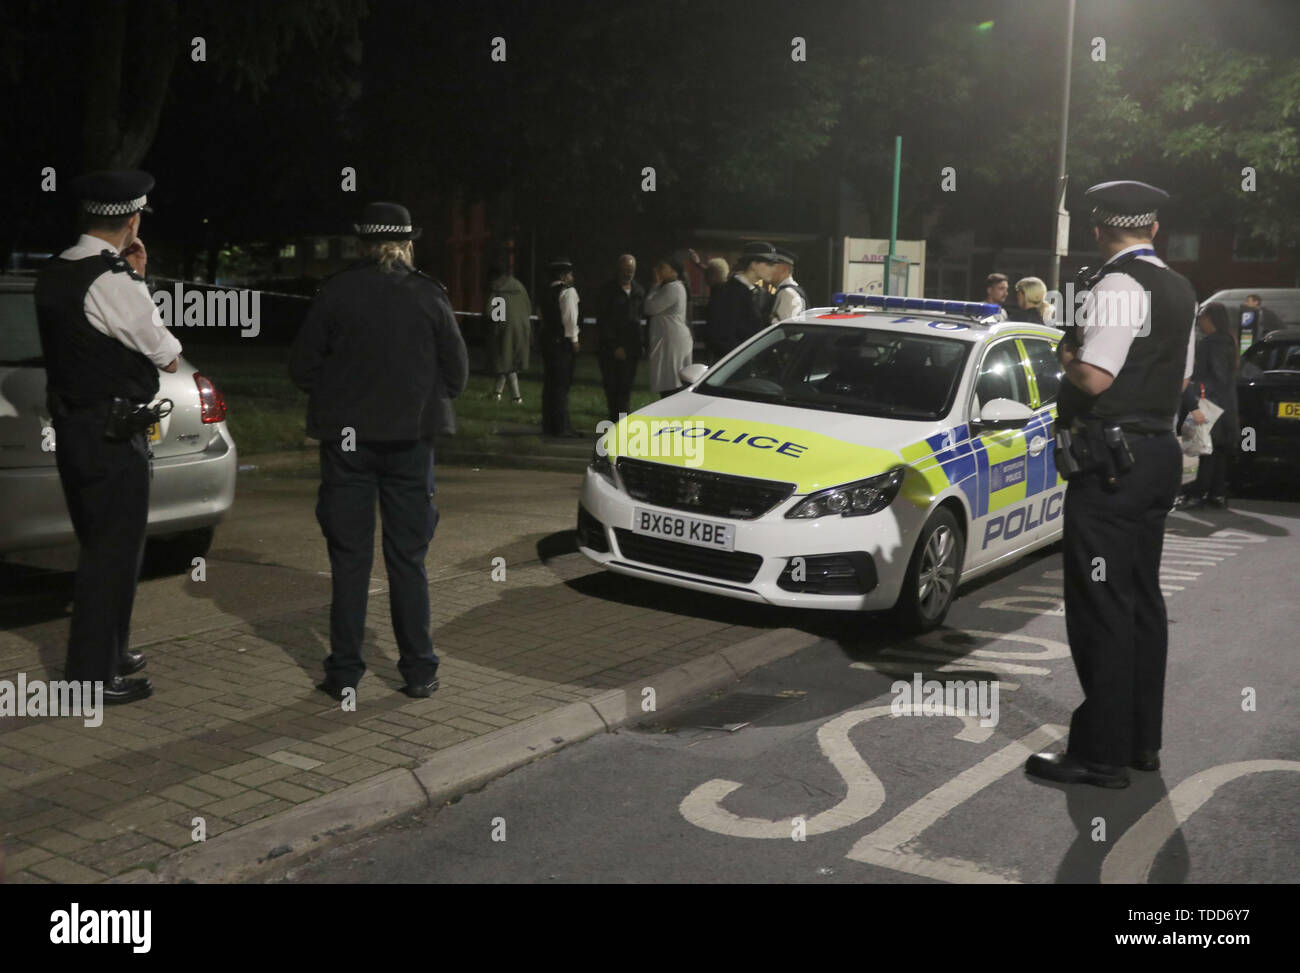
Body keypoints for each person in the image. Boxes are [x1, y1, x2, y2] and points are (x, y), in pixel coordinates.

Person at [1025, 180, 1197, 789]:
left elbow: (1094, 377)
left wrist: (1065, 357)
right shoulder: (1179, 288)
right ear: (1153, 228)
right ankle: (1140, 745)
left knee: (1101, 607)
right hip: (1154, 457)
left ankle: (1101, 755)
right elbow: (1180, 385)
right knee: (1141, 602)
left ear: (1099, 231)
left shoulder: (1119, 286)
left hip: (1111, 464)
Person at [289, 201, 468, 699]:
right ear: (407, 244)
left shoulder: (336, 294)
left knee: (349, 561)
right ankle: (418, 671)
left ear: (362, 245)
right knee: (408, 560)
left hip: (347, 446)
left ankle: (344, 672)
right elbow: (456, 373)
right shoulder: (429, 297)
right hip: (411, 445)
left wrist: (340, 394)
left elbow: (302, 368)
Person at [34, 169, 181, 705]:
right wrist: (138, 280)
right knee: (112, 552)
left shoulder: (56, 271)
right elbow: (165, 351)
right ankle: (90, 678)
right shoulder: (112, 281)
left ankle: (111, 650)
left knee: (105, 545)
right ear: (131, 219)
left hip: (76, 427)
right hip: (112, 431)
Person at [1176, 302, 1239, 509]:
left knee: (1203, 449)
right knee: (1217, 450)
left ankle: (1196, 493)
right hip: (1226, 404)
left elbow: (1214, 377)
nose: (1199, 320)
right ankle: (1217, 494)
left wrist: (1197, 397)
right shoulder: (1230, 341)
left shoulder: (1210, 344)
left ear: (1211, 318)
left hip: (1209, 403)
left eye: (1201, 315)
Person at [593, 254, 645, 420]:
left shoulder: (639, 291)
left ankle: (621, 421)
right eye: (625, 270)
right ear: (618, 269)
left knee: (626, 388)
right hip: (610, 350)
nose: (628, 273)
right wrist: (615, 345)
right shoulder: (607, 291)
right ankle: (616, 420)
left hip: (632, 349)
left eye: (631, 270)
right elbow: (603, 321)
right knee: (613, 388)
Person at [706, 241, 777, 361]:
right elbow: (720, 335)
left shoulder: (760, 293)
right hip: (733, 367)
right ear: (753, 265)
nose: (773, 269)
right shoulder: (727, 292)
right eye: (769, 264)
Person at [539, 257, 582, 437]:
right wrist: (574, 339)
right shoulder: (568, 292)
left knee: (550, 384)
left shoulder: (546, 292)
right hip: (562, 342)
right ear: (564, 275)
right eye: (570, 273)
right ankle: (562, 427)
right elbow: (570, 318)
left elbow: (541, 316)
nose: (572, 277)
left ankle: (549, 424)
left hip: (548, 341)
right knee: (562, 385)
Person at [484, 251, 531, 404]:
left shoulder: (497, 290)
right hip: (523, 329)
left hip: (505, 330)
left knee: (506, 363)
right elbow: (527, 307)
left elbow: (494, 314)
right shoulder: (520, 287)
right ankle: (497, 393)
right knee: (509, 362)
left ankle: (516, 397)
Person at [644, 253, 693, 397]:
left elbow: (650, 307)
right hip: (669, 340)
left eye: (662, 267)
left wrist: (654, 285)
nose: (658, 270)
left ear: (674, 271)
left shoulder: (673, 288)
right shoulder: (670, 287)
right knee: (669, 377)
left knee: (671, 379)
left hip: (671, 342)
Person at [769, 249, 807, 324]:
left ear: (783, 269)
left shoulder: (788, 293)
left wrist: (770, 319)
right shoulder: (788, 290)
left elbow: (788, 327)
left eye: (771, 266)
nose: (768, 269)